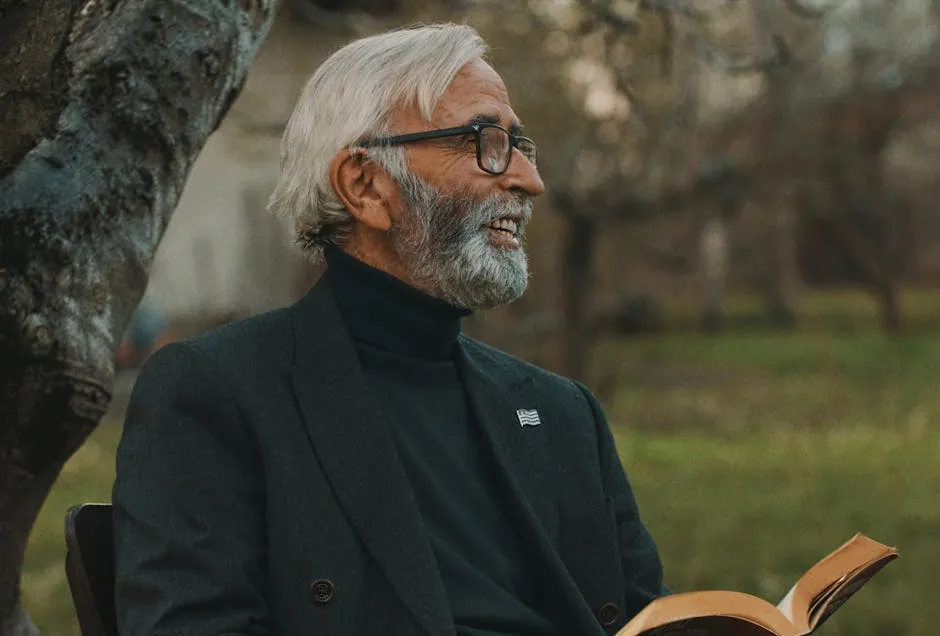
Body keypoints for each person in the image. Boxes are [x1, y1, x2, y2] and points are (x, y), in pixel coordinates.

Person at [112, 23, 668, 636]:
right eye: (485, 142)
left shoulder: (563, 414)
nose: (528, 180)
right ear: (365, 185)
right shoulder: (218, 394)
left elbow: (659, 619)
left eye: (519, 146)